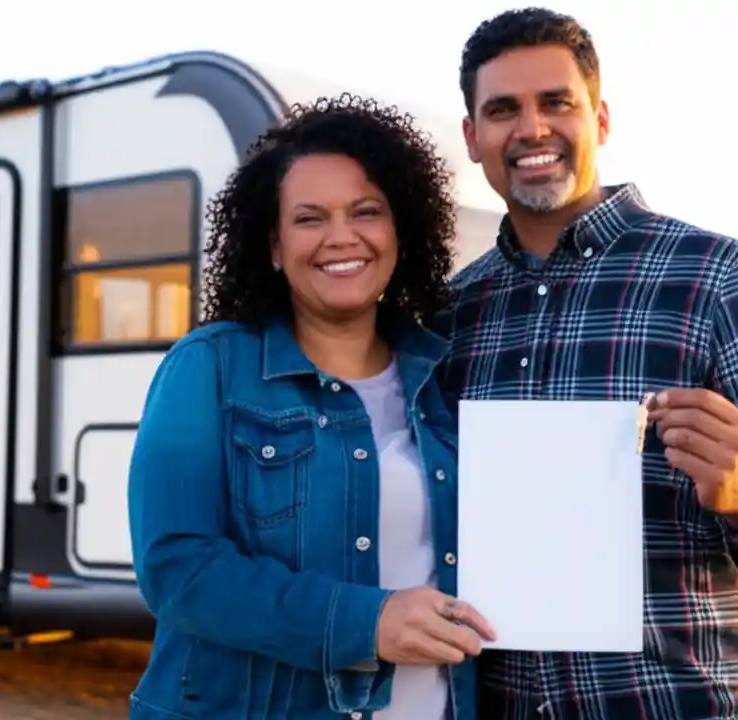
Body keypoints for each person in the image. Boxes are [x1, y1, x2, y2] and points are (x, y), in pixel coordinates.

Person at [434, 8, 738, 719]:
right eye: (503, 110)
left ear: (601, 117)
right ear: (473, 137)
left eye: (556, 102)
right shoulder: (452, 315)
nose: (531, 129)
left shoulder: (713, 276)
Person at [126, 93, 496, 720]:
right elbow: (178, 569)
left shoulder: (445, 377)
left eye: (366, 211)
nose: (340, 237)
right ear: (273, 246)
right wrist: (365, 622)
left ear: (398, 228)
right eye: (309, 218)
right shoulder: (209, 368)